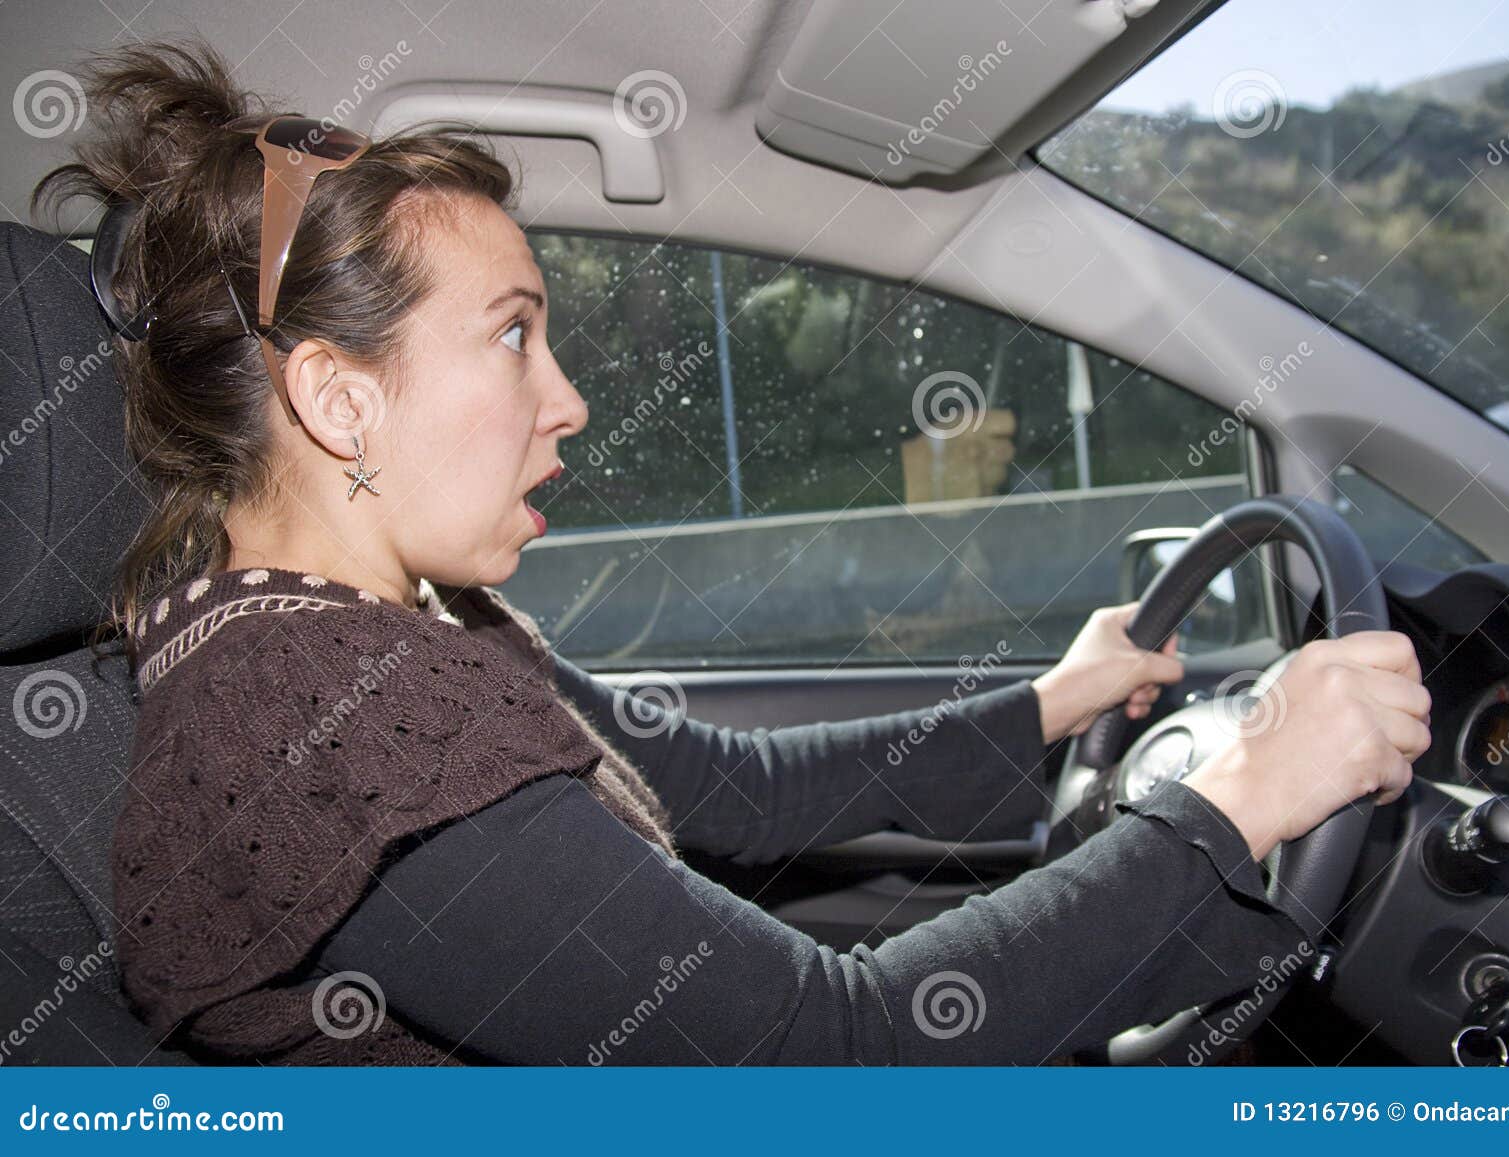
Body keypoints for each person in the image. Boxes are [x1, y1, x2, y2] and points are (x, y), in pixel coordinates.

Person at [38, 41, 1431, 1065]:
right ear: (341, 400)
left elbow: (722, 782)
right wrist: (1234, 800)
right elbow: (840, 1057)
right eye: (514, 332)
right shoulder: (323, 725)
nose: (568, 395)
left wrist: (1052, 705)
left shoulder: (387, 632)